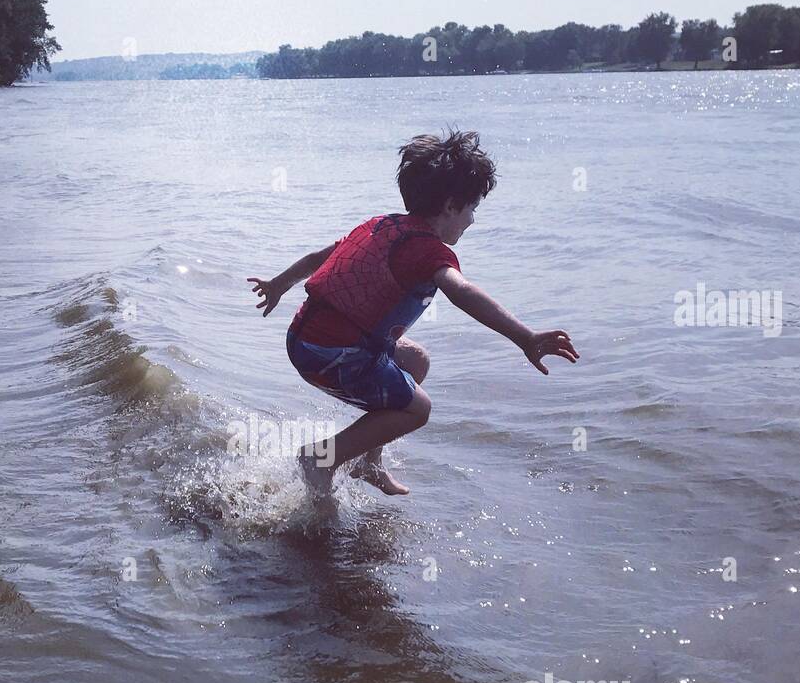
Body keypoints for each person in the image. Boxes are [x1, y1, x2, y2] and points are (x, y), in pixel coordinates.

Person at [247, 129, 579, 495]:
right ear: (451, 205)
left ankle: (369, 463)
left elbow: (316, 260)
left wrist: (279, 284)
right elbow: (462, 291)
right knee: (417, 409)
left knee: (415, 361)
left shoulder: (382, 225)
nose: (471, 220)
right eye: (471, 209)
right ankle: (321, 458)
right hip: (332, 354)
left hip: (304, 338)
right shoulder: (428, 252)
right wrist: (525, 337)